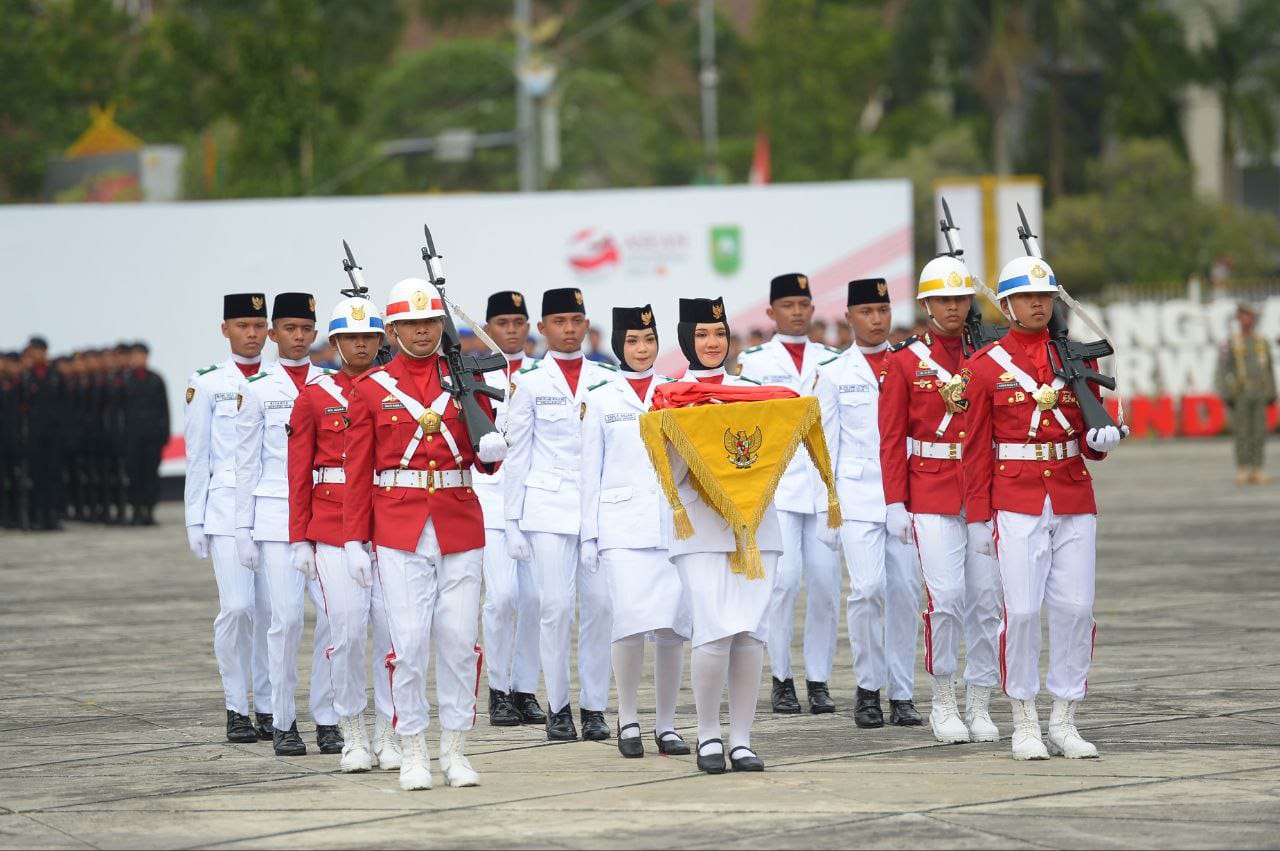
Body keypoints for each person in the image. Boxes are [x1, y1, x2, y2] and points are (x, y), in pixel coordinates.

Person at [343, 277, 508, 790]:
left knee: (460, 642)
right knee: (409, 643)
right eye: (411, 323)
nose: (421, 331)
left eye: (430, 321)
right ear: (391, 328)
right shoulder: (371, 389)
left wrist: (495, 449)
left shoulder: (465, 376)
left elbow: (486, 461)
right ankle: (412, 748)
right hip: (399, 524)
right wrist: (354, 539)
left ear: (442, 324)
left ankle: (455, 749)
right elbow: (356, 471)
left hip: (459, 520)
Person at [960, 255, 1124, 760]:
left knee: (1077, 610)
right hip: (1016, 497)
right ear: (1006, 306)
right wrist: (978, 519)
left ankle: (1065, 718)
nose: (1038, 304)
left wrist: (1102, 440)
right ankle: (1024, 718)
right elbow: (974, 449)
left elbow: (1092, 437)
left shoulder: (1079, 358)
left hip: (1073, 493)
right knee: (1024, 611)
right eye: (1028, 297)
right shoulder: (984, 368)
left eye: (1045, 296)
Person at [878, 256, 1002, 745]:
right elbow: (890, 438)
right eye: (943, 300)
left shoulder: (990, 356)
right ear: (926, 304)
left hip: (984, 491)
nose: (952, 307)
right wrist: (894, 502)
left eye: (959, 299)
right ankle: (943, 698)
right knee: (947, 599)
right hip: (929, 489)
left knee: (988, 602)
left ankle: (980, 700)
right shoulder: (905, 361)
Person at [287, 296, 398, 772]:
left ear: (380, 340)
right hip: (331, 526)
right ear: (334, 342)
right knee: (347, 631)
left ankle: (391, 733)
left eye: (369, 336)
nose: (360, 344)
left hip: (390, 521)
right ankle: (351, 730)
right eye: (350, 336)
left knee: (395, 636)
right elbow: (297, 470)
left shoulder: (396, 391)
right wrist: (298, 537)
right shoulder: (315, 396)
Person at [665, 296, 775, 774]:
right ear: (687, 339)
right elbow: (665, 469)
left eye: (719, 333)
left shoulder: (754, 391)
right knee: (713, 632)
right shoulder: (670, 395)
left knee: (750, 633)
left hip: (756, 527)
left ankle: (742, 738)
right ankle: (707, 733)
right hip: (701, 528)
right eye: (702, 334)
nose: (712, 343)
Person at [502, 287, 618, 742]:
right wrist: (512, 522)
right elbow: (517, 454)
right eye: (560, 322)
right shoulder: (528, 380)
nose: (569, 330)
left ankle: (593, 706)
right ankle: (558, 706)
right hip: (547, 506)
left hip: (596, 510)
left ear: (587, 326)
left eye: (576, 321)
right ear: (543, 329)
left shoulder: (607, 378)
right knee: (554, 608)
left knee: (602, 608)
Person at [580, 304, 691, 759]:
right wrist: (588, 537)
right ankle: (627, 718)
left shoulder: (676, 392)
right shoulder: (602, 394)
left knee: (672, 628)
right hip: (621, 529)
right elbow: (590, 470)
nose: (642, 349)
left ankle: (666, 725)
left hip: (672, 527)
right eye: (632, 341)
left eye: (648, 340)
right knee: (626, 625)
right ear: (618, 345)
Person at [235, 292, 340, 757]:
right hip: (276, 517)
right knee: (286, 620)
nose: (299, 338)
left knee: (337, 620)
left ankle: (328, 717)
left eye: (306, 329)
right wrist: (243, 530)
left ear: (316, 334)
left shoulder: (334, 386)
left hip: (326, 516)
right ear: (273, 334)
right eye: (290, 329)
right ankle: (282, 720)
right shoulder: (257, 389)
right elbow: (246, 465)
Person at [815, 279, 923, 729]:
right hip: (857, 494)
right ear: (849, 318)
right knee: (866, 590)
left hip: (908, 496)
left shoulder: (912, 365)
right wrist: (828, 508)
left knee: (905, 593)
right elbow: (826, 447)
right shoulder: (836, 373)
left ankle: (902, 692)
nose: (877, 319)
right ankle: (867, 687)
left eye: (883, 310)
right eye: (867, 312)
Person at [736, 273, 843, 715]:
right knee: (782, 586)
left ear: (813, 308)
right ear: (771, 313)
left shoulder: (835, 361)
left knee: (825, 587)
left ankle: (817, 679)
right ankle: (781, 677)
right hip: (777, 491)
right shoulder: (755, 361)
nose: (797, 312)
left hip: (821, 489)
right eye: (788, 305)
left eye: (804, 304)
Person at [184, 294, 275, 744]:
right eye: (243, 325)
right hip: (223, 510)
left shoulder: (283, 380)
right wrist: (193, 521)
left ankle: (268, 707)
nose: (252, 333)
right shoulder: (206, 383)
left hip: (272, 510)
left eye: (259, 325)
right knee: (237, 609)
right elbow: (197, 457)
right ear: (225, 330)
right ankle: (236, 706)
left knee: (272, 613)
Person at [476, 291, 545, 728]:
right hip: (489, 495)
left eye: (519, 321)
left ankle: (525, 689)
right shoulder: (468, 373)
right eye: (502, 322)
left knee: (536, 600)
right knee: (501, 598)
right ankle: (498, 690)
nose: (513, 329)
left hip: (535, 498)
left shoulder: (542, 375)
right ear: (487, 328)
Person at [1215, 303, 1275, 485]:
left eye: (1250, 316)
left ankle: (1257, 469)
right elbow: (1222, 369)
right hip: (1241, 393)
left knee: (1259, 431)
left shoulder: (1261, 342)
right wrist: (1226, 393)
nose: (1248, 320)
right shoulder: (1232, 342)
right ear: (1238, 318)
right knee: (1242, 432)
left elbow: (1269, 369)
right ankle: (1243, 468)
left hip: (1260, 391)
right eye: (1244, 316)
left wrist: (1272, 393)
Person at [20, 336, 65, 531]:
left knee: (53, 475)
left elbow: (66, 406)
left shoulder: (56, 376)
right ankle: (38, 515)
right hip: (34, 434)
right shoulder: (26, 377)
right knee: (37, 476)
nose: (36, 354)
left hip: (54, 434)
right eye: (33, 351)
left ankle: (53, 515)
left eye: (39, 350)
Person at [121, 342, 169, 526]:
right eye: (135, 355)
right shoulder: (125, 380)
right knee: (134, 473)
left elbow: (164, 409)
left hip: (152, 436)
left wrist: (163, 433)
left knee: (151, 473)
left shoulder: (156, 380)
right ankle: (135, 510)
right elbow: (119, 410)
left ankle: (149, 510)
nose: (138, 359)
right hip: (131, 436)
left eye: (142, 355)